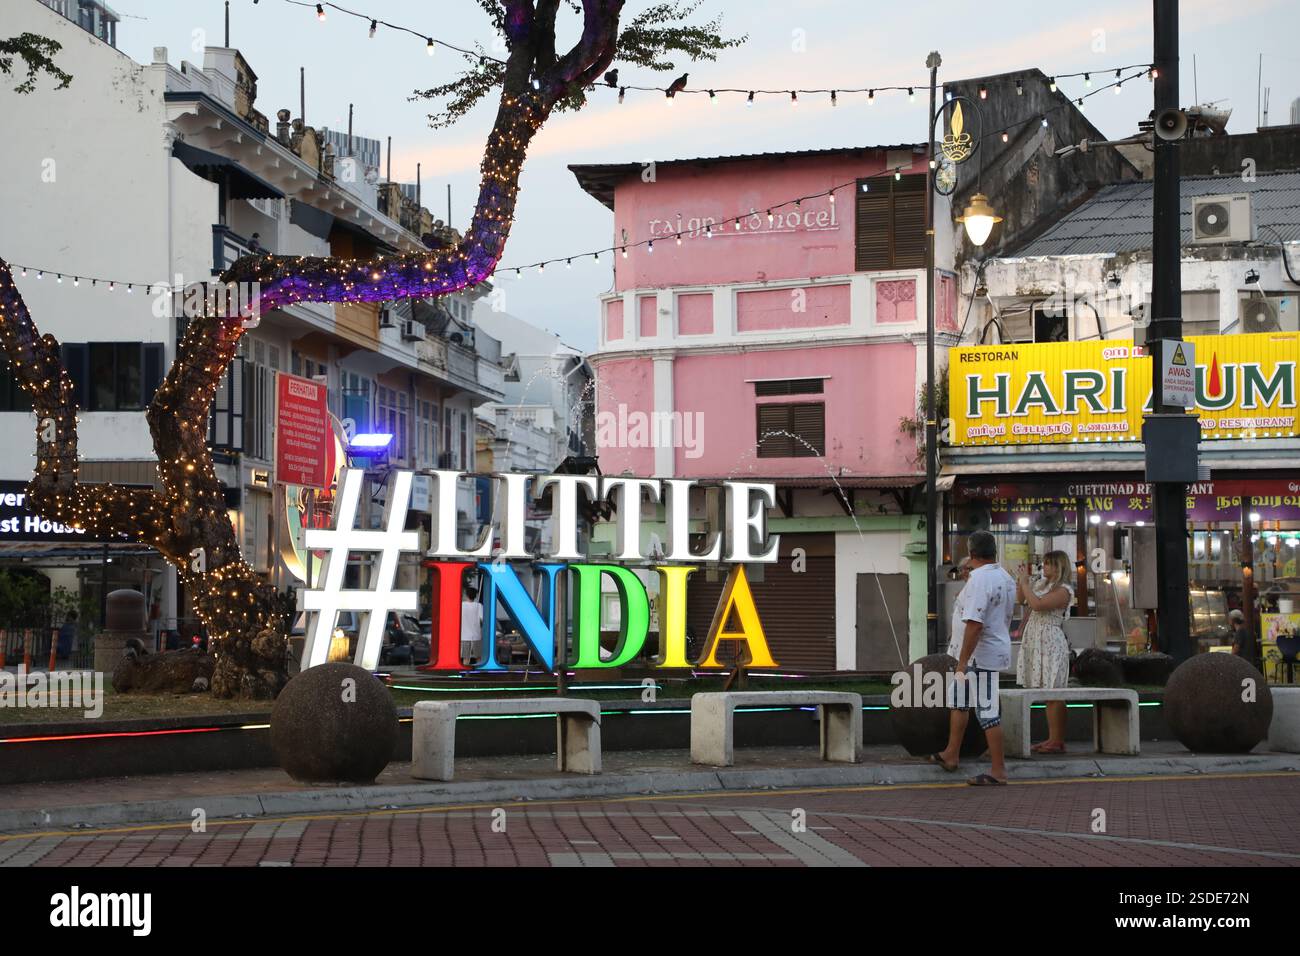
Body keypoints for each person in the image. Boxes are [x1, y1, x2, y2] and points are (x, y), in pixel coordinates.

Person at [931, 530, 1016, 785]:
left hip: (980, 657)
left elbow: (975, 624)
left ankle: (998, 770)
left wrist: (962, 661)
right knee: (959, 702)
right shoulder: (1004, 576)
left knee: (987, 711)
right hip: (982, 653)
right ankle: (951, 753)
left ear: (971, 553)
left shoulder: (981, 580)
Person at [1015, 550, 1074, 754]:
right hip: (1036, 638)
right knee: (1044, 690)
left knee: (1054, 691)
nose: (1044, 567)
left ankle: (1057, 740)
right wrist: (1021, 581)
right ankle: (1051, 738)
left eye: (1049, 564)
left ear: (1058, 567)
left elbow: (1038, 605)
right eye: (1044, 563)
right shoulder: (1041, 585)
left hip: (1051, 641)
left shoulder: (1064, 590)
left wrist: (1024, 584)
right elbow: (1022, 600)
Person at [460, 586, 484, 666]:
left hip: (464, 636)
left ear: (466, 595)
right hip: (476, 635)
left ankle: (466, 675)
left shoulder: (461, 606)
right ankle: (479, 673)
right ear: (475, 596)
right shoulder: (479, 606)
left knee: (466, 658)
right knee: (478, 657)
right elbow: (482, 619)